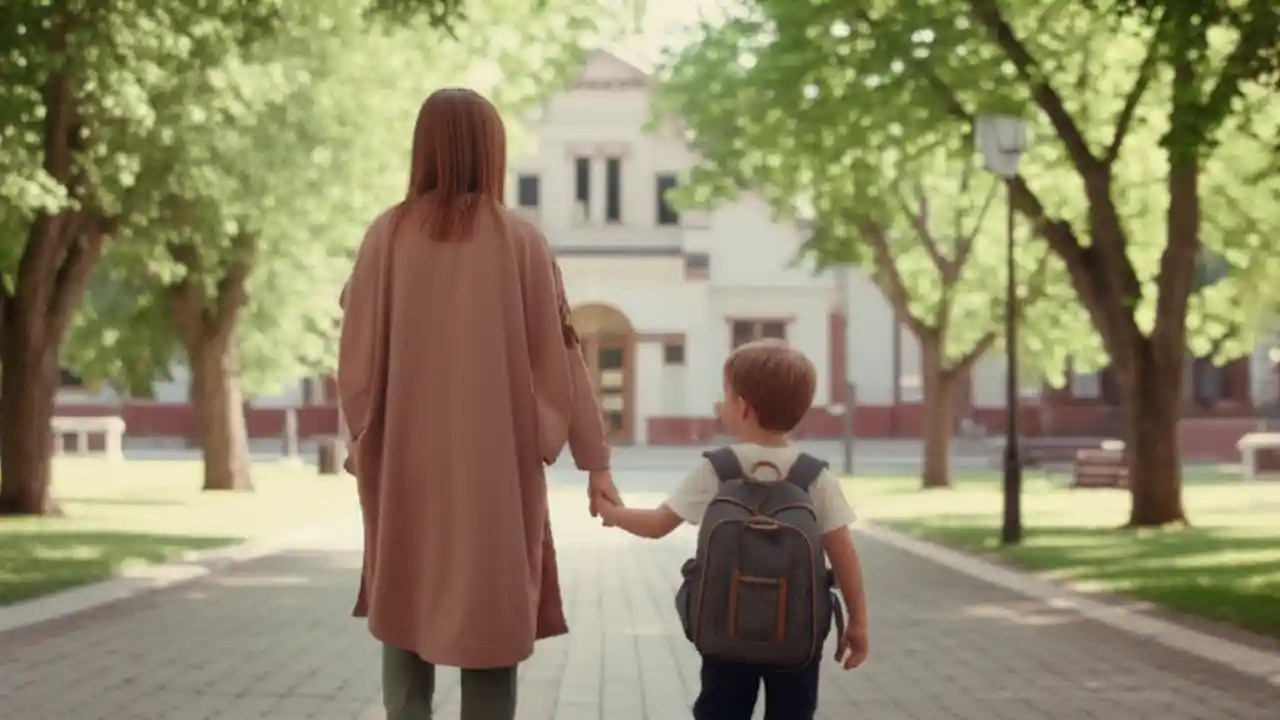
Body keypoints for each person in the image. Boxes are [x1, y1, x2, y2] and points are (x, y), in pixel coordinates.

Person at [336, 87, 622, 720]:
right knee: (490, 619)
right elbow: (564, 359)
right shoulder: (521, 243)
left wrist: (365, 442)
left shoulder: (386, 236)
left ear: (424, 148)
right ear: (493, 150)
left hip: (407, 463)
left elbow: (355, 357)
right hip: (495, 466)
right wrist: (594, 462)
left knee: (406, 603)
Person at [599, 340, 869, 719]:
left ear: (743, 407)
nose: (721, 405)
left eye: (725, 396)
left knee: (721, 710)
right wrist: (858, 622)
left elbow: (657, 525)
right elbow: (844, 555)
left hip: (725, 629)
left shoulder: (718, 469)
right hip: (796, 632)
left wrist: (614, 513)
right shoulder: (814, 476)